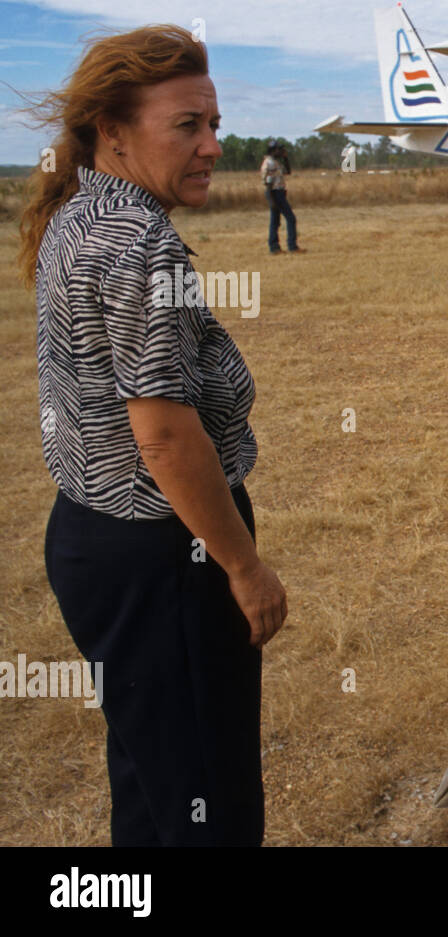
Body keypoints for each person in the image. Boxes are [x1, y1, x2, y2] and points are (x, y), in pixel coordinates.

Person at [18, 24, 288, 845]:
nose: (212, 145)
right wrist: (242, 564)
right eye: (186, 127)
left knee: (154, 782)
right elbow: (166, 439)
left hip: (95, 543)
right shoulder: (139, 243)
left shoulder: (80, 213)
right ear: (113, 129)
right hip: (168, 553)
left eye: (213, 124)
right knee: (209, 804)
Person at [260, 139, 304, 254]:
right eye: (279, 149)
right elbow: (268, 183)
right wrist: (271, 201)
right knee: (291, 218)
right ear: (273, 150)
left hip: (279, 192)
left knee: (275, 221)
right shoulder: (269, 163)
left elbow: (288, 171)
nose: (281, 151)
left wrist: (285, 158)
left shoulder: (275, 162)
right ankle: (292, 246)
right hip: (275, 193)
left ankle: (274, 247)